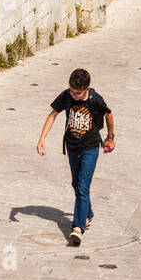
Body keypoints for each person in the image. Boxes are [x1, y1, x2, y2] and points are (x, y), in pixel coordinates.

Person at [37, 67, 115, 246]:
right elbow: (53, 115)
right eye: (71, 90)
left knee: (82, 186)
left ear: (87, 89)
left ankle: (77, 228)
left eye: (78, 93)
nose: (73, 95)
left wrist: (110, 138)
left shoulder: (95, 99)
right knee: (76, 184)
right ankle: (87, 213)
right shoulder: (66, 95)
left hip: (90, 148)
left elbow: (108, 114)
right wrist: (42, 139)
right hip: (72, 148)